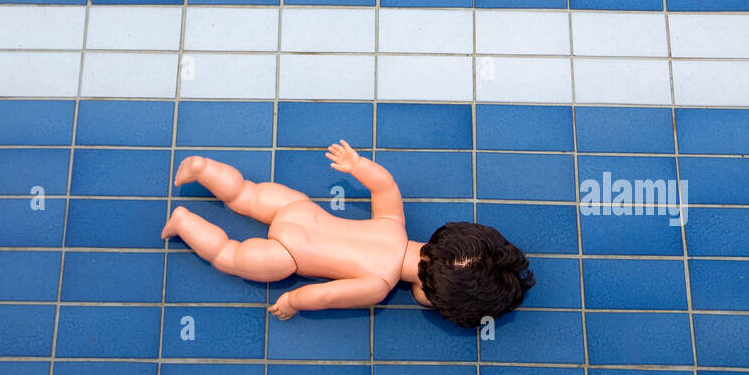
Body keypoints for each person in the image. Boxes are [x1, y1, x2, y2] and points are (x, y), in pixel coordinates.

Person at [162, 139, 535, 327]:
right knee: (227, 254)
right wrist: (292, 302)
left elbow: (385, 186)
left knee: (244, 193)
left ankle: (201, 167)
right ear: (431, 297)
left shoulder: (393, 226)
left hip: (302, 210)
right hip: (286, 255)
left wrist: (356, 164)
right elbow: (324, 296)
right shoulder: (378, 283)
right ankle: (183, 221)